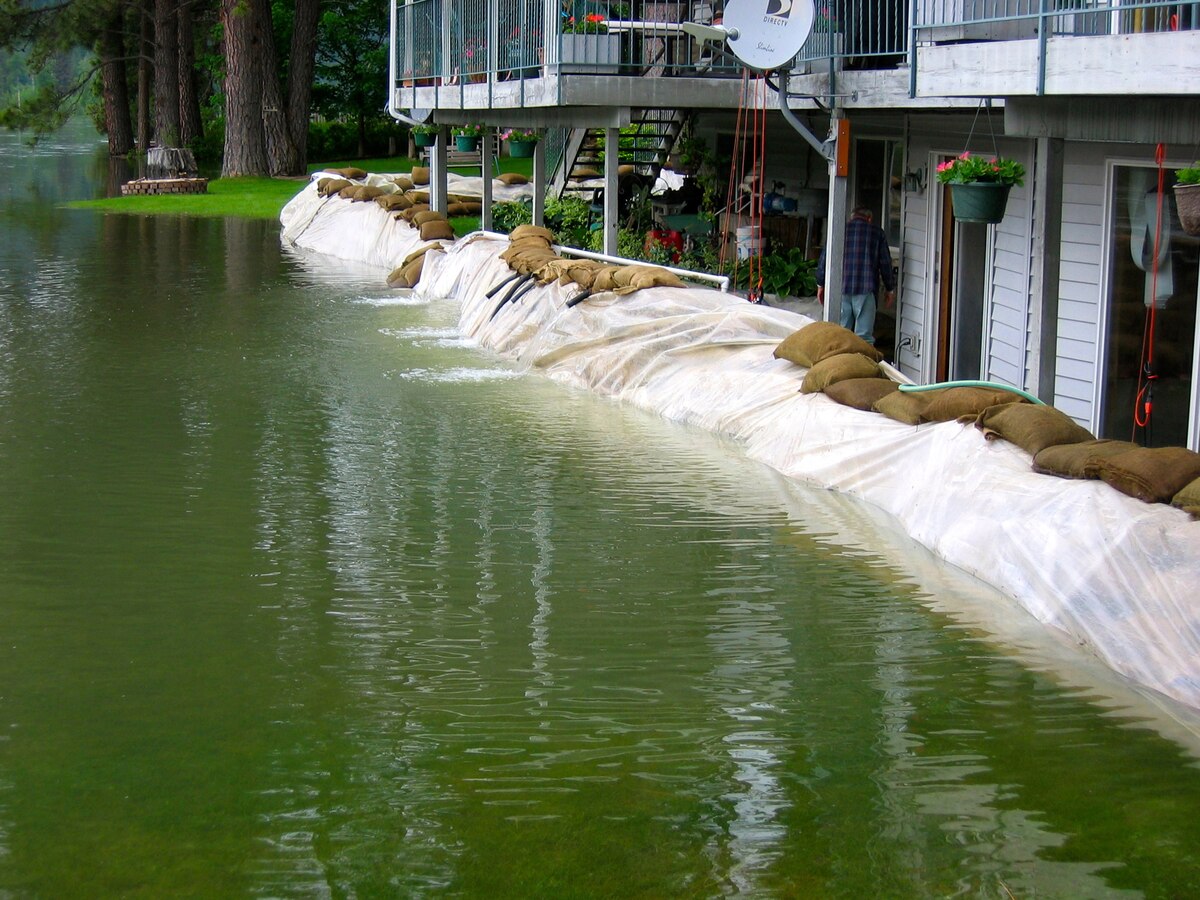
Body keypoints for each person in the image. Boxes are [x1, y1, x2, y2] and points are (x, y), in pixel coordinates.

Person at [815, 207, 896, 345]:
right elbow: (885, 264)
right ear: (869, 219)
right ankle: (860, 364)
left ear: (851, 218)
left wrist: (820, 284)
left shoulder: (838, 231)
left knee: (840, 334)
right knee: (864, 338)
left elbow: (825, 259)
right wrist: (890, 289)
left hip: (841, 288)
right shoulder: (877, 233)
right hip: (866, 289)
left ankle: (838, 364)